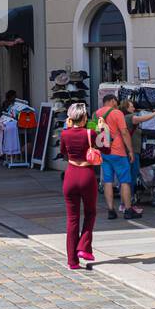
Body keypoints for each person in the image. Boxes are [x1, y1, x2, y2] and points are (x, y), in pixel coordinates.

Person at [59, 104, 99, 270]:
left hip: (70, 175)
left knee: (72, 219)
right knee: (90, 212)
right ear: (84, 118)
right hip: (86, 175)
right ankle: (83, 247)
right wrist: (103, 130)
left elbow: (63, 153)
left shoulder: (64, 134)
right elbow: (106, 148)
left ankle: (72, 261)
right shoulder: (90, 133)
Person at [96, 94, 139, 220]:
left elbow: (95, 132)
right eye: (116, 101)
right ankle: (128, 210)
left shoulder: (96, 113)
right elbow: (124, 132)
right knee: (125, 181)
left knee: (108, 181)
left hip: (104, 151)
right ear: (112, 101)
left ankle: (110, 210)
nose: (117, 103)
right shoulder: (117, 113)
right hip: (118, 151)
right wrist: (130, 151)